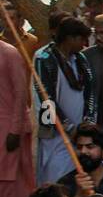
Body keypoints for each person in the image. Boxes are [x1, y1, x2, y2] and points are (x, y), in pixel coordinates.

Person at [33, 18, 95, 183]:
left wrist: (87, 124)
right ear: (70, 38)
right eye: (82, 39)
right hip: (55, 132)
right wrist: (68, 126)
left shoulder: (81, 59)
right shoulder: (43, 58)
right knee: (55, 180)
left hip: (80, 134)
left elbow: (90, 92)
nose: (84, 44)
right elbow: (45, 97)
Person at [0, 31, 35, 197]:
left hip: (10, 128)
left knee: (12, 185)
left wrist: (15, 129)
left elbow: (21, 93)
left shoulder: (9, 53)